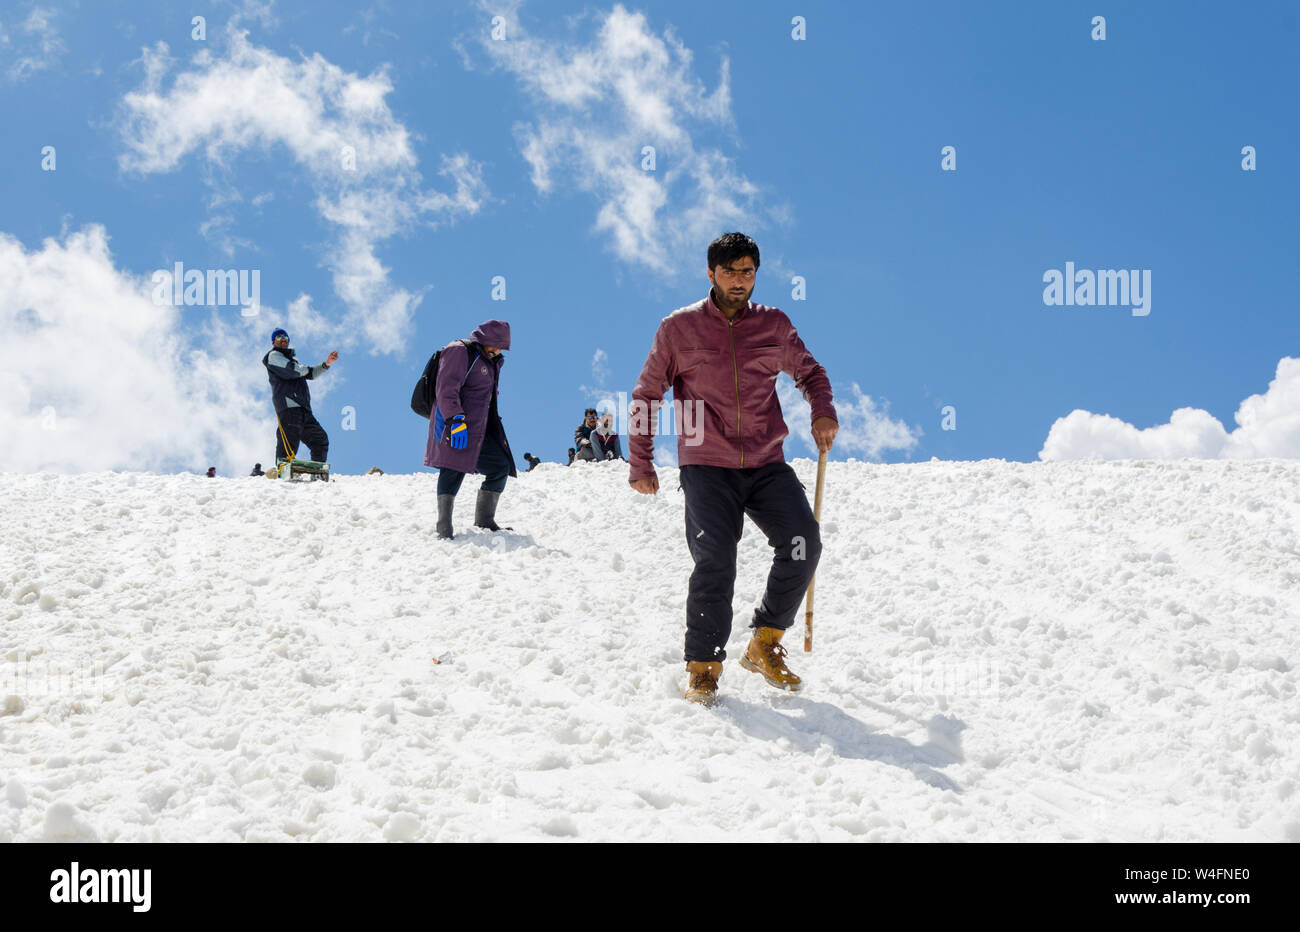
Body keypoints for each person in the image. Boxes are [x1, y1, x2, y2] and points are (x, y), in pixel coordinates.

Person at [629, 232, 838, 707]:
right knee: (716, 561)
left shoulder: (773, 325)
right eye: (730, 272)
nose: (739, 281)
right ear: (711, 274)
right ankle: (703, 667)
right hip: (706, 464)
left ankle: (764, 641)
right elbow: (647, 394)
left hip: (767, 461)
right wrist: (641, 461)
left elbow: (810, 372)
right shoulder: (678, 329)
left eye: (748, 271)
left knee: (804, 542)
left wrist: (821, 409)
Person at [424, 319, 518, 539]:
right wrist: (455, 420)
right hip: (454, 424)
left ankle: (485, 519)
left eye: (501, 347)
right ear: (485, 339)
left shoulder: (492, 362)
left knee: (500, 466)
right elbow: (446, 388)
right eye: (495, 344)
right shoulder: (459, 351)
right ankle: (444, 527)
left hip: (479, 430)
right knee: (452, 467)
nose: (497, 350)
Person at [262, 329, 337, 465]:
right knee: (289, 441)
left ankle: (317, 472)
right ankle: (282, 470)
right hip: (289, 406)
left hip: (303, 409)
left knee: (320, 439)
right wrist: (304, 369)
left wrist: (326, 364)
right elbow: (294, 371)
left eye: (285, 336)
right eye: (279, 337)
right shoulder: (273, 356)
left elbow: (310, 374)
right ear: (273, 342)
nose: (283, 338)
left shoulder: (292, 361)